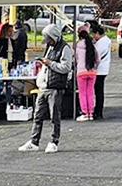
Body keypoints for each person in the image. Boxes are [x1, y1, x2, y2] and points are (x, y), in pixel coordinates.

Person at [19, 24, 72, 154]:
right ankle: (34, 141)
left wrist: (50, 64)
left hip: (55, 87)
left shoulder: (65, 48)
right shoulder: (49, 47)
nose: (48, 42)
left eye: (49, 39)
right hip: (43, 86)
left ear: (55, 37)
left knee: (54, 116)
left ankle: (54, 141)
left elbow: (66, 67)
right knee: (38, 116)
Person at [75, 25, 100, 121]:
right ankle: (90, 113)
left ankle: (85, 112)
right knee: (90, 92)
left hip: (81, 72)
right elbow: (98, 59)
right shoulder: (92, 46)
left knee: (82, 93)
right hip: (92, 72)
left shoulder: (77, 46)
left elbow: (75, 59)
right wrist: (95, 68)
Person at [91, 22, 111, 120]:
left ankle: (98, 110)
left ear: (98, 33)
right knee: (99, 91)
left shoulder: (102, 43)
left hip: (99, 70)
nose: (93, 36)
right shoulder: (106, 41)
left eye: (94, 34)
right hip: (103, 69)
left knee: (98, 91)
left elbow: (97, 55)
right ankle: (98, 109)